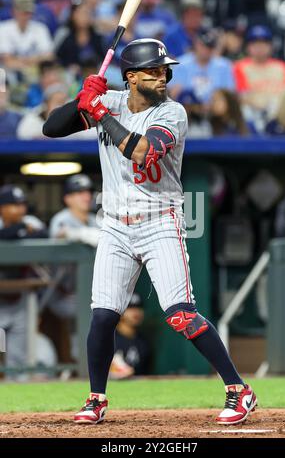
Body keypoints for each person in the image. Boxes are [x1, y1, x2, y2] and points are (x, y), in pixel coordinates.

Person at [43, 38, 257, 426]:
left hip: (160, 222)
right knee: (104, 316)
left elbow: (141, 151)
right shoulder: (109, 102)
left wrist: (99, 112)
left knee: (180, 315)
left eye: (165, 71)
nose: (164, 77)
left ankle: (239, 389)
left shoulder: (173, 112)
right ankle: (96, 398)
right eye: (155, 71)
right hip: (115, 226)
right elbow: (50, 129)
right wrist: (81, 100)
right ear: (132, 77)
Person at [42, 174, 101, 364]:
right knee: (94, 316)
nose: (85, 196)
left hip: (89, 292)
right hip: (60, 293)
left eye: (87, 192)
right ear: (67, 198)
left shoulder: (95, 220)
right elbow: (61, 234)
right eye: (78, 193)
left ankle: (90, 362)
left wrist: (82, 234)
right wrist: (80, 235)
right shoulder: (61, 219)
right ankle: (84, 362)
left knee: (103, 312)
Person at [0, 185, 47, 376]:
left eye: (22, 205)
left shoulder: (30, 221)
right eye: (13, 205)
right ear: (2, 208)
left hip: (19, 298)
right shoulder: (23, 224)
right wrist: (20, 229)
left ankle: (15, 398)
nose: (20, 210)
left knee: (17, 358)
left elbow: (44, 235)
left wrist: (17, 230)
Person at [234, 25, 285, 119]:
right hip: (253, 115)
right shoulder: (239, 67)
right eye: (255, 43)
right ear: (248, 47)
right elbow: (242, 96)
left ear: (271, 46)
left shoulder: (282, 67)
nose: (259, 47)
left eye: (264, 43)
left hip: (280, 115)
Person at [170, 29, 236, 106]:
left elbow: (229, 94)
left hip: (215, 111)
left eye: (209, 47)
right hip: (188, 110)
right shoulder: (181, 64)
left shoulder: (224, 66)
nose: (206, 50)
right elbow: (173, 94)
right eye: (203, 46)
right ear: (196, 44)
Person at [0, 0, 54, 82]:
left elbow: (49, 57)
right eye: (21, 11)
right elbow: (7, 61)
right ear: (13, 11)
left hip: (37, 75)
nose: (24, 15)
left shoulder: (40, 28)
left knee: (52, 74)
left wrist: (21, 61)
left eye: (27, 12)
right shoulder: (3, 28)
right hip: (9, 76)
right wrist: (34, 60)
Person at [55, 0, 106, 70]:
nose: (83, 17)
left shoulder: (98, 38)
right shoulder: (64, 35)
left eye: (85, 13)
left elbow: (105, 60)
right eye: (79, 13)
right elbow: (58, 60)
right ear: (72, 16)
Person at [110, 293, 150, 379]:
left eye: (138, 307)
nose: (136, 312)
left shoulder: (143, 342)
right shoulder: (108, 339)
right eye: (130, 308)